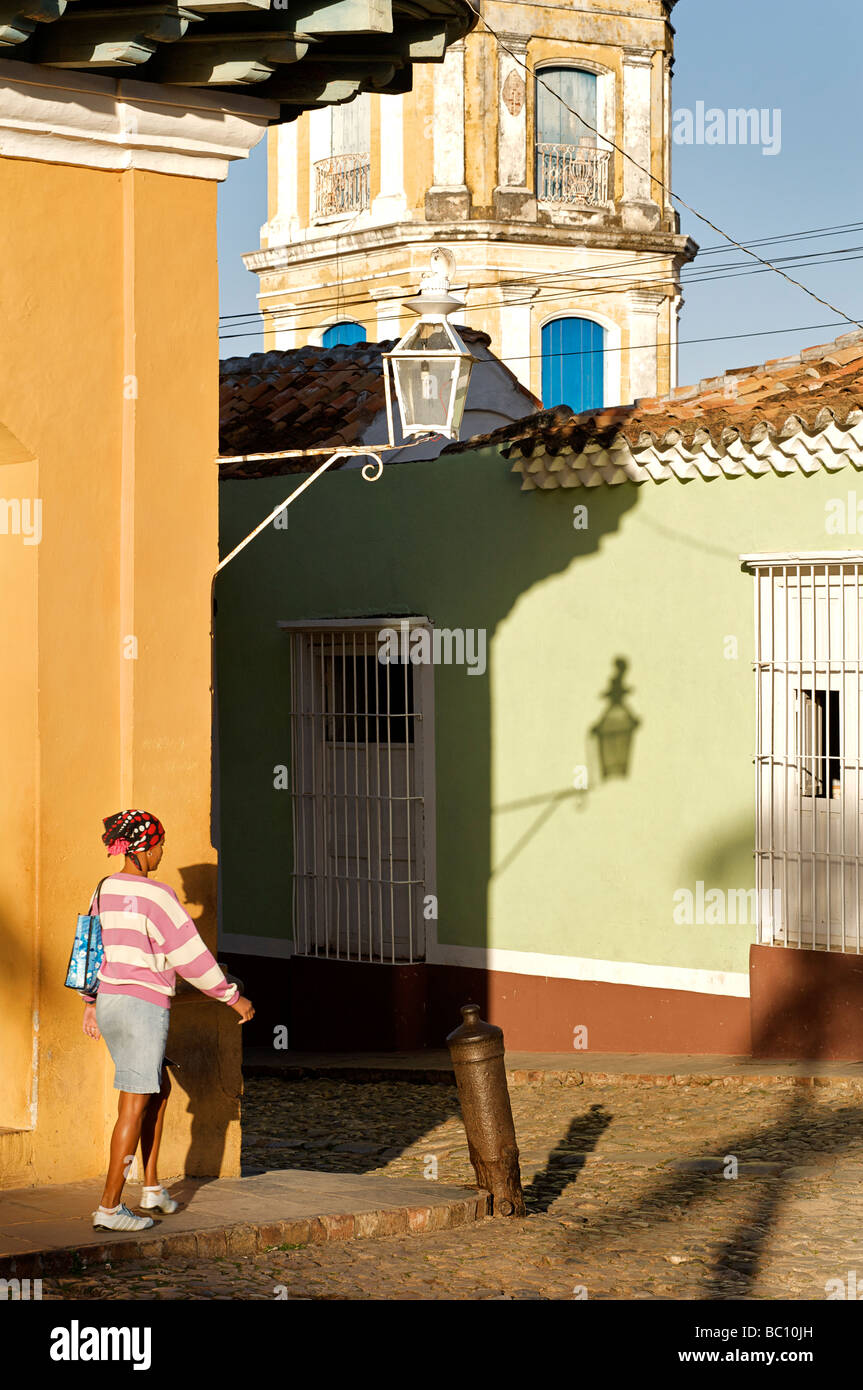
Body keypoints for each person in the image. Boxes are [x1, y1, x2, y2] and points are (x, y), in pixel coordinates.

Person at [82, 809, 254, 1232]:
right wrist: (233, 998)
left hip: (109, 1004)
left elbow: (90, 946)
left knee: (156, 1090)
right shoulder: (158, 897)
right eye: (158, 844)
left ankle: (153, 1189)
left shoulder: (103, 889)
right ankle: (108, 1208)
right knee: (133, 1106)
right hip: (142, 1008)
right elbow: (190, 958)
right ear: (141, 848)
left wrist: (90, 1003)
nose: (161, 852)